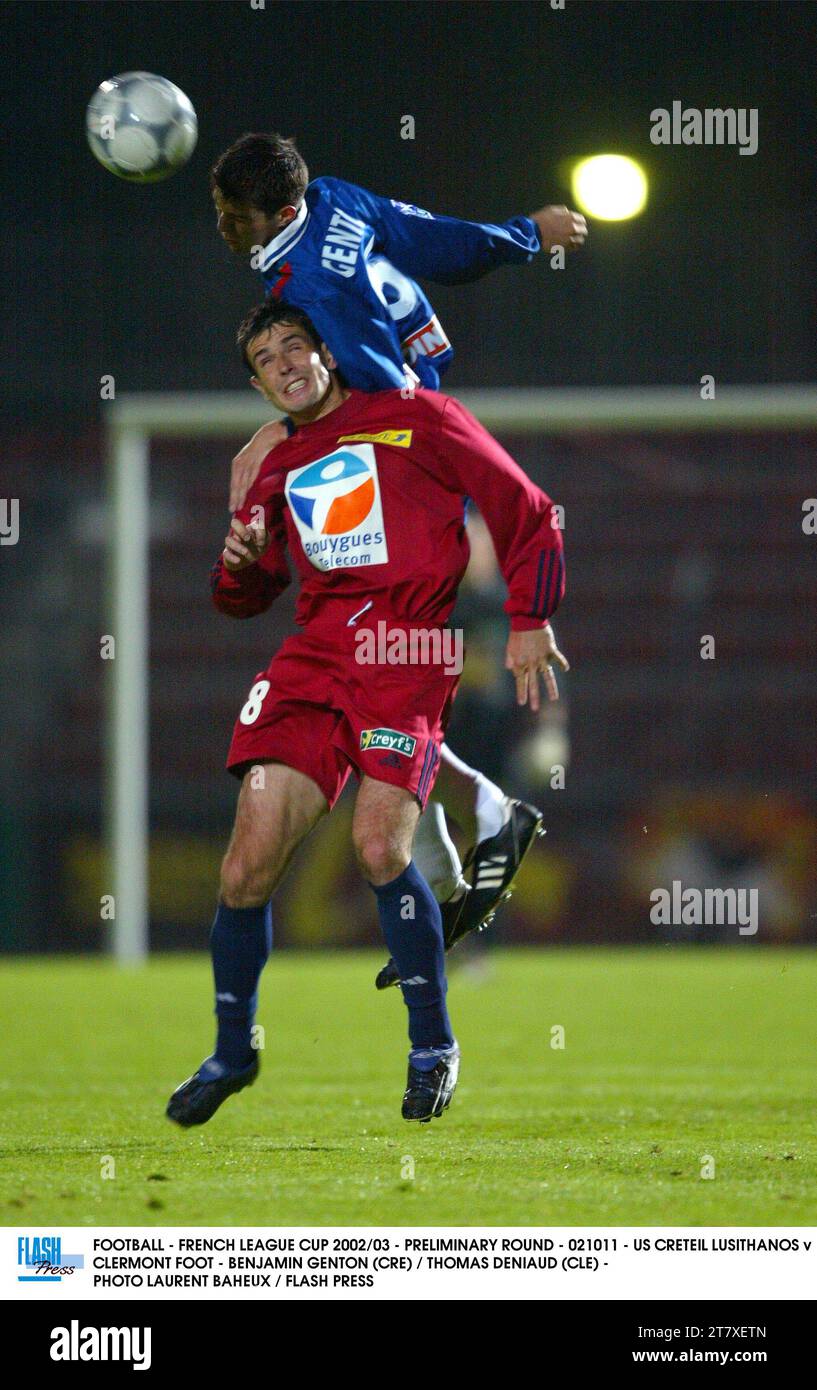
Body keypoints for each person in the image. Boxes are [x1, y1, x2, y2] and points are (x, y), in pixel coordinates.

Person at [166, 299, 567, 1129]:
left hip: (406, 653)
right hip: (313, 658)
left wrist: (528, 617)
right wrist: (238, 563)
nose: (284, 364)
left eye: (295, 347)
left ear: (327, 352)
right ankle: (233, 1051)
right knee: (244, 870)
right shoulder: (275, 464)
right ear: (257, 382)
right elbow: (243, 597)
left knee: (379, 844)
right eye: (266, 359)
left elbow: (523, 505)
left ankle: (432, 1046)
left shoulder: (417, 415)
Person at [210, 132, 584, 963]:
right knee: (368, 671)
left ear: (274, 213)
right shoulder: (337, 199)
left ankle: (458, 841)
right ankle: (473, 827)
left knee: (368, 664)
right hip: (419, 440)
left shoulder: (306, 286)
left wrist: (274, 433)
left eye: (229, 215)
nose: (221, 227)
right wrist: (527, 233)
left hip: (394, 464)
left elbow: (360, 392)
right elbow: (442, 243)